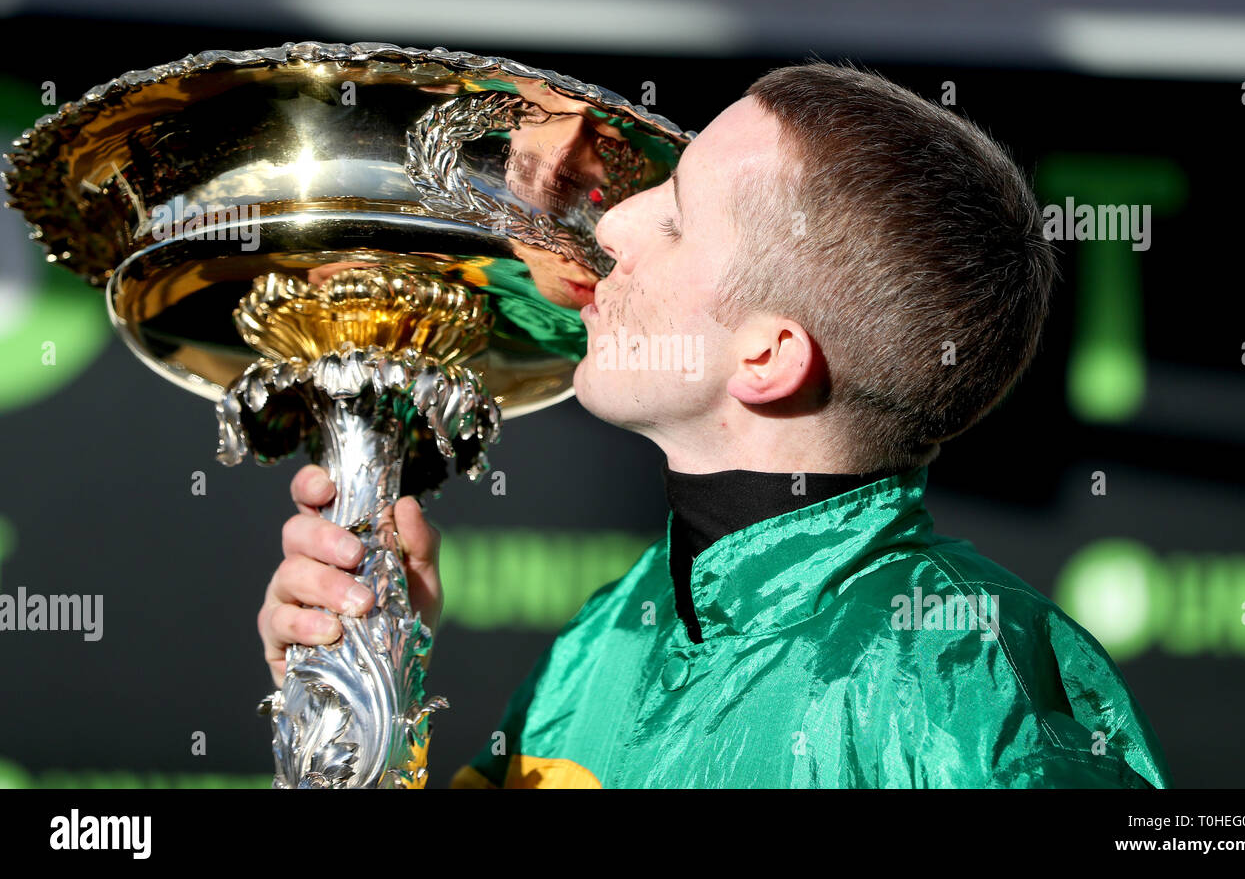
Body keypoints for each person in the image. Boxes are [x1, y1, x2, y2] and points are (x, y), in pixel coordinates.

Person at [257, 59, 1172, 788]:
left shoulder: (964, 681)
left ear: (767, 359)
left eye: (679, 218)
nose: (612, 224)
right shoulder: (611, 629)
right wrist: (359, 693)